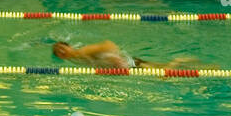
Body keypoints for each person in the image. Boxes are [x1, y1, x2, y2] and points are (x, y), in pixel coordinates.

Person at [52, 40, 204, 70]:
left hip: (128, 65)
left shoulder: (81, 52)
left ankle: (179, 61)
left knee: (164, 74)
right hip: (132, 63)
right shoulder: (75, 58)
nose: (61, 52)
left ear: (69, 46)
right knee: (164, 69)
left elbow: (107, 44)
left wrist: (117, 61)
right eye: (58, 52)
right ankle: (180, 62)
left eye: (62, 48)